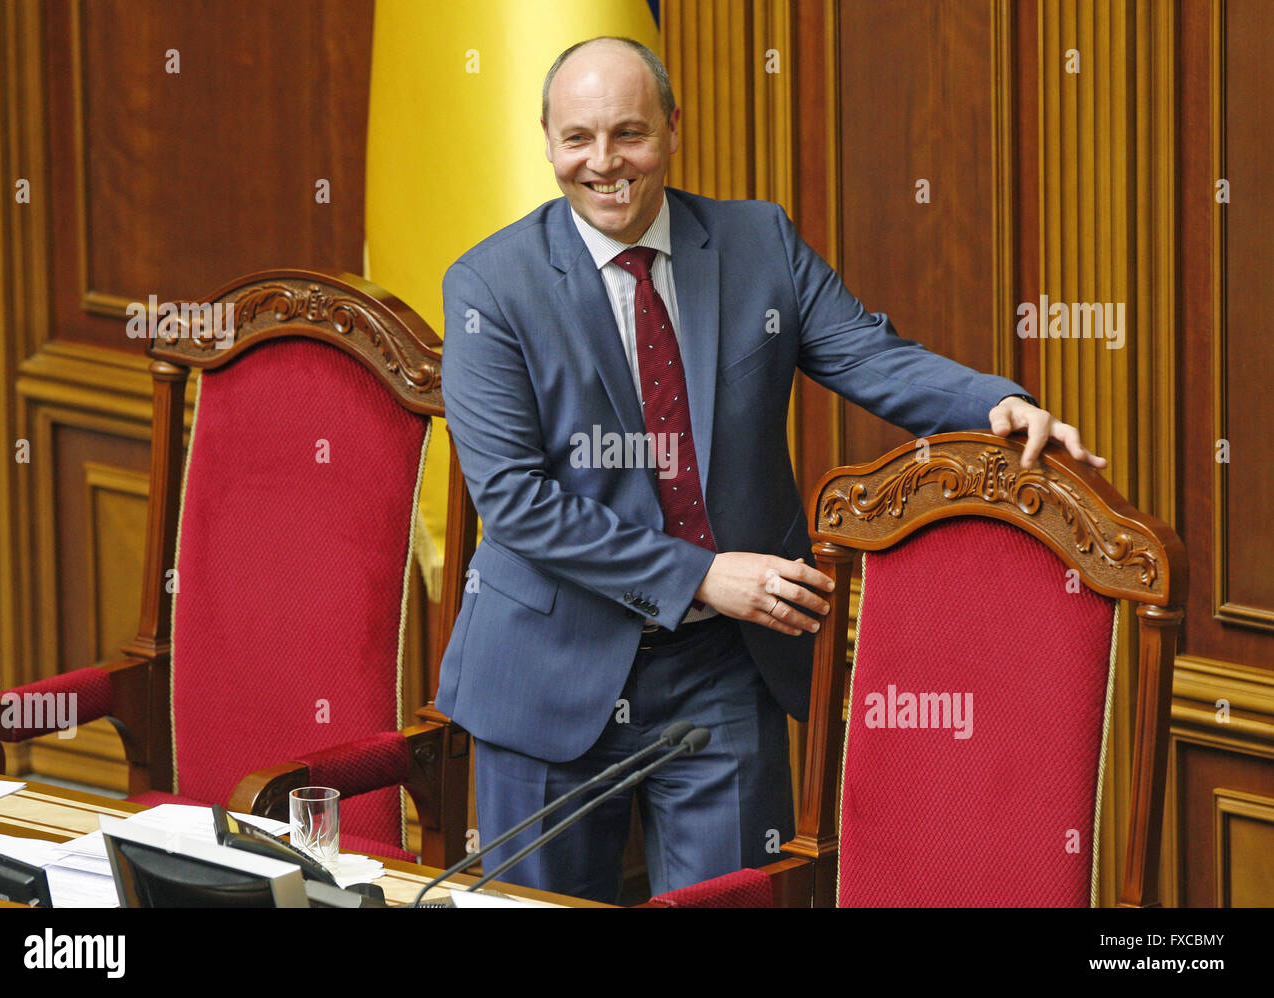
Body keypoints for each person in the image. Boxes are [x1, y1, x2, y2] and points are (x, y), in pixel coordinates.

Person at [435, 36, 1105, 903]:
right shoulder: (490, 284)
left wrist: (991, 405)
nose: (604, 164)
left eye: (630, 133)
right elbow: (517, 504)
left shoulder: (760, 240)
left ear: (674, 128)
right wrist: (703, 576)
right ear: (547, 138)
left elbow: (870, 355)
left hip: (724, 668)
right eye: (578, 139)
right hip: (546, 669)